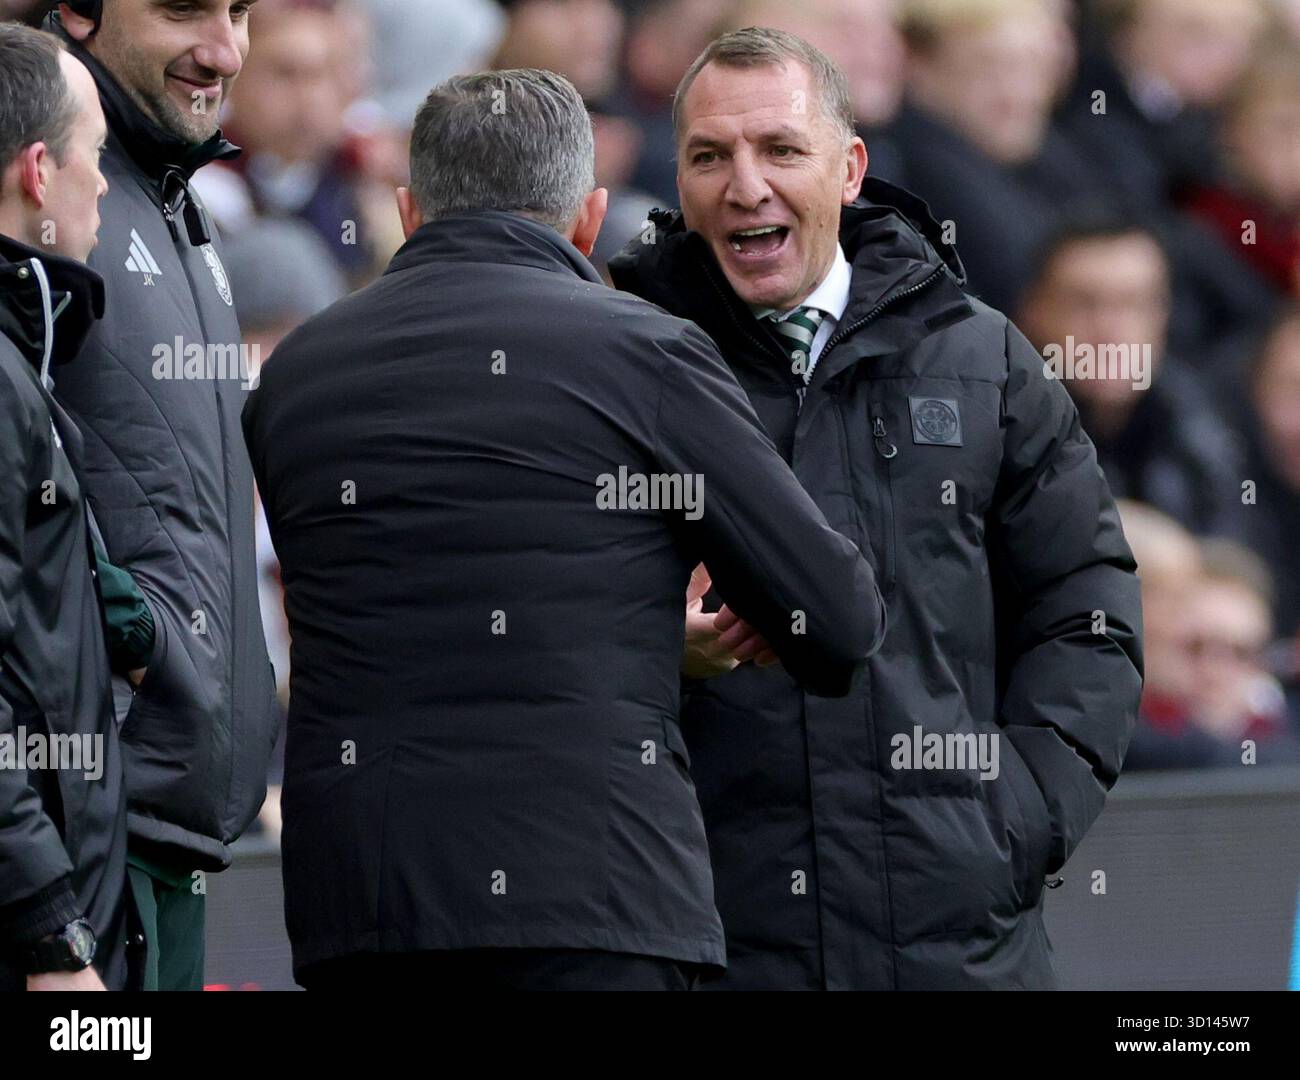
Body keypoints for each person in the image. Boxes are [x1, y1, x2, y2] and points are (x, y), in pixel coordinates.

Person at [243, 68, 885, 991]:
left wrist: (640, 635)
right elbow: (834, 619)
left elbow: (397, 603)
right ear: (589, 220)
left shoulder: (296, 378)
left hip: (365, 908)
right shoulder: (643, 350)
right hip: (600, 898)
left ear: (409, 211)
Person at [609, 27, 1143, 989]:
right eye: (708, 156)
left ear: (850, 167)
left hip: (960, 947)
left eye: (779, 149)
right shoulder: (620, 366)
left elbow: (1085, 602)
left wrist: (1017, 817)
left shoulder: (982, 357)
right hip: (716, 944)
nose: (744, 186)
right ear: (678, 185)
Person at [46, 0, 280, 990]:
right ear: (78, 12)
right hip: (75, 851)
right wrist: (139, 642)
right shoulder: (44, 183)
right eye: (185, 7)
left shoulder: (180, 201)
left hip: (174, 832)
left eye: (239, 10)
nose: (224, 49)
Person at [0, 23, 132, 991]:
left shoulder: (22, 356)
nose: (103, 187)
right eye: (94, 157)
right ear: (40, 171)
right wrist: (51, 932)